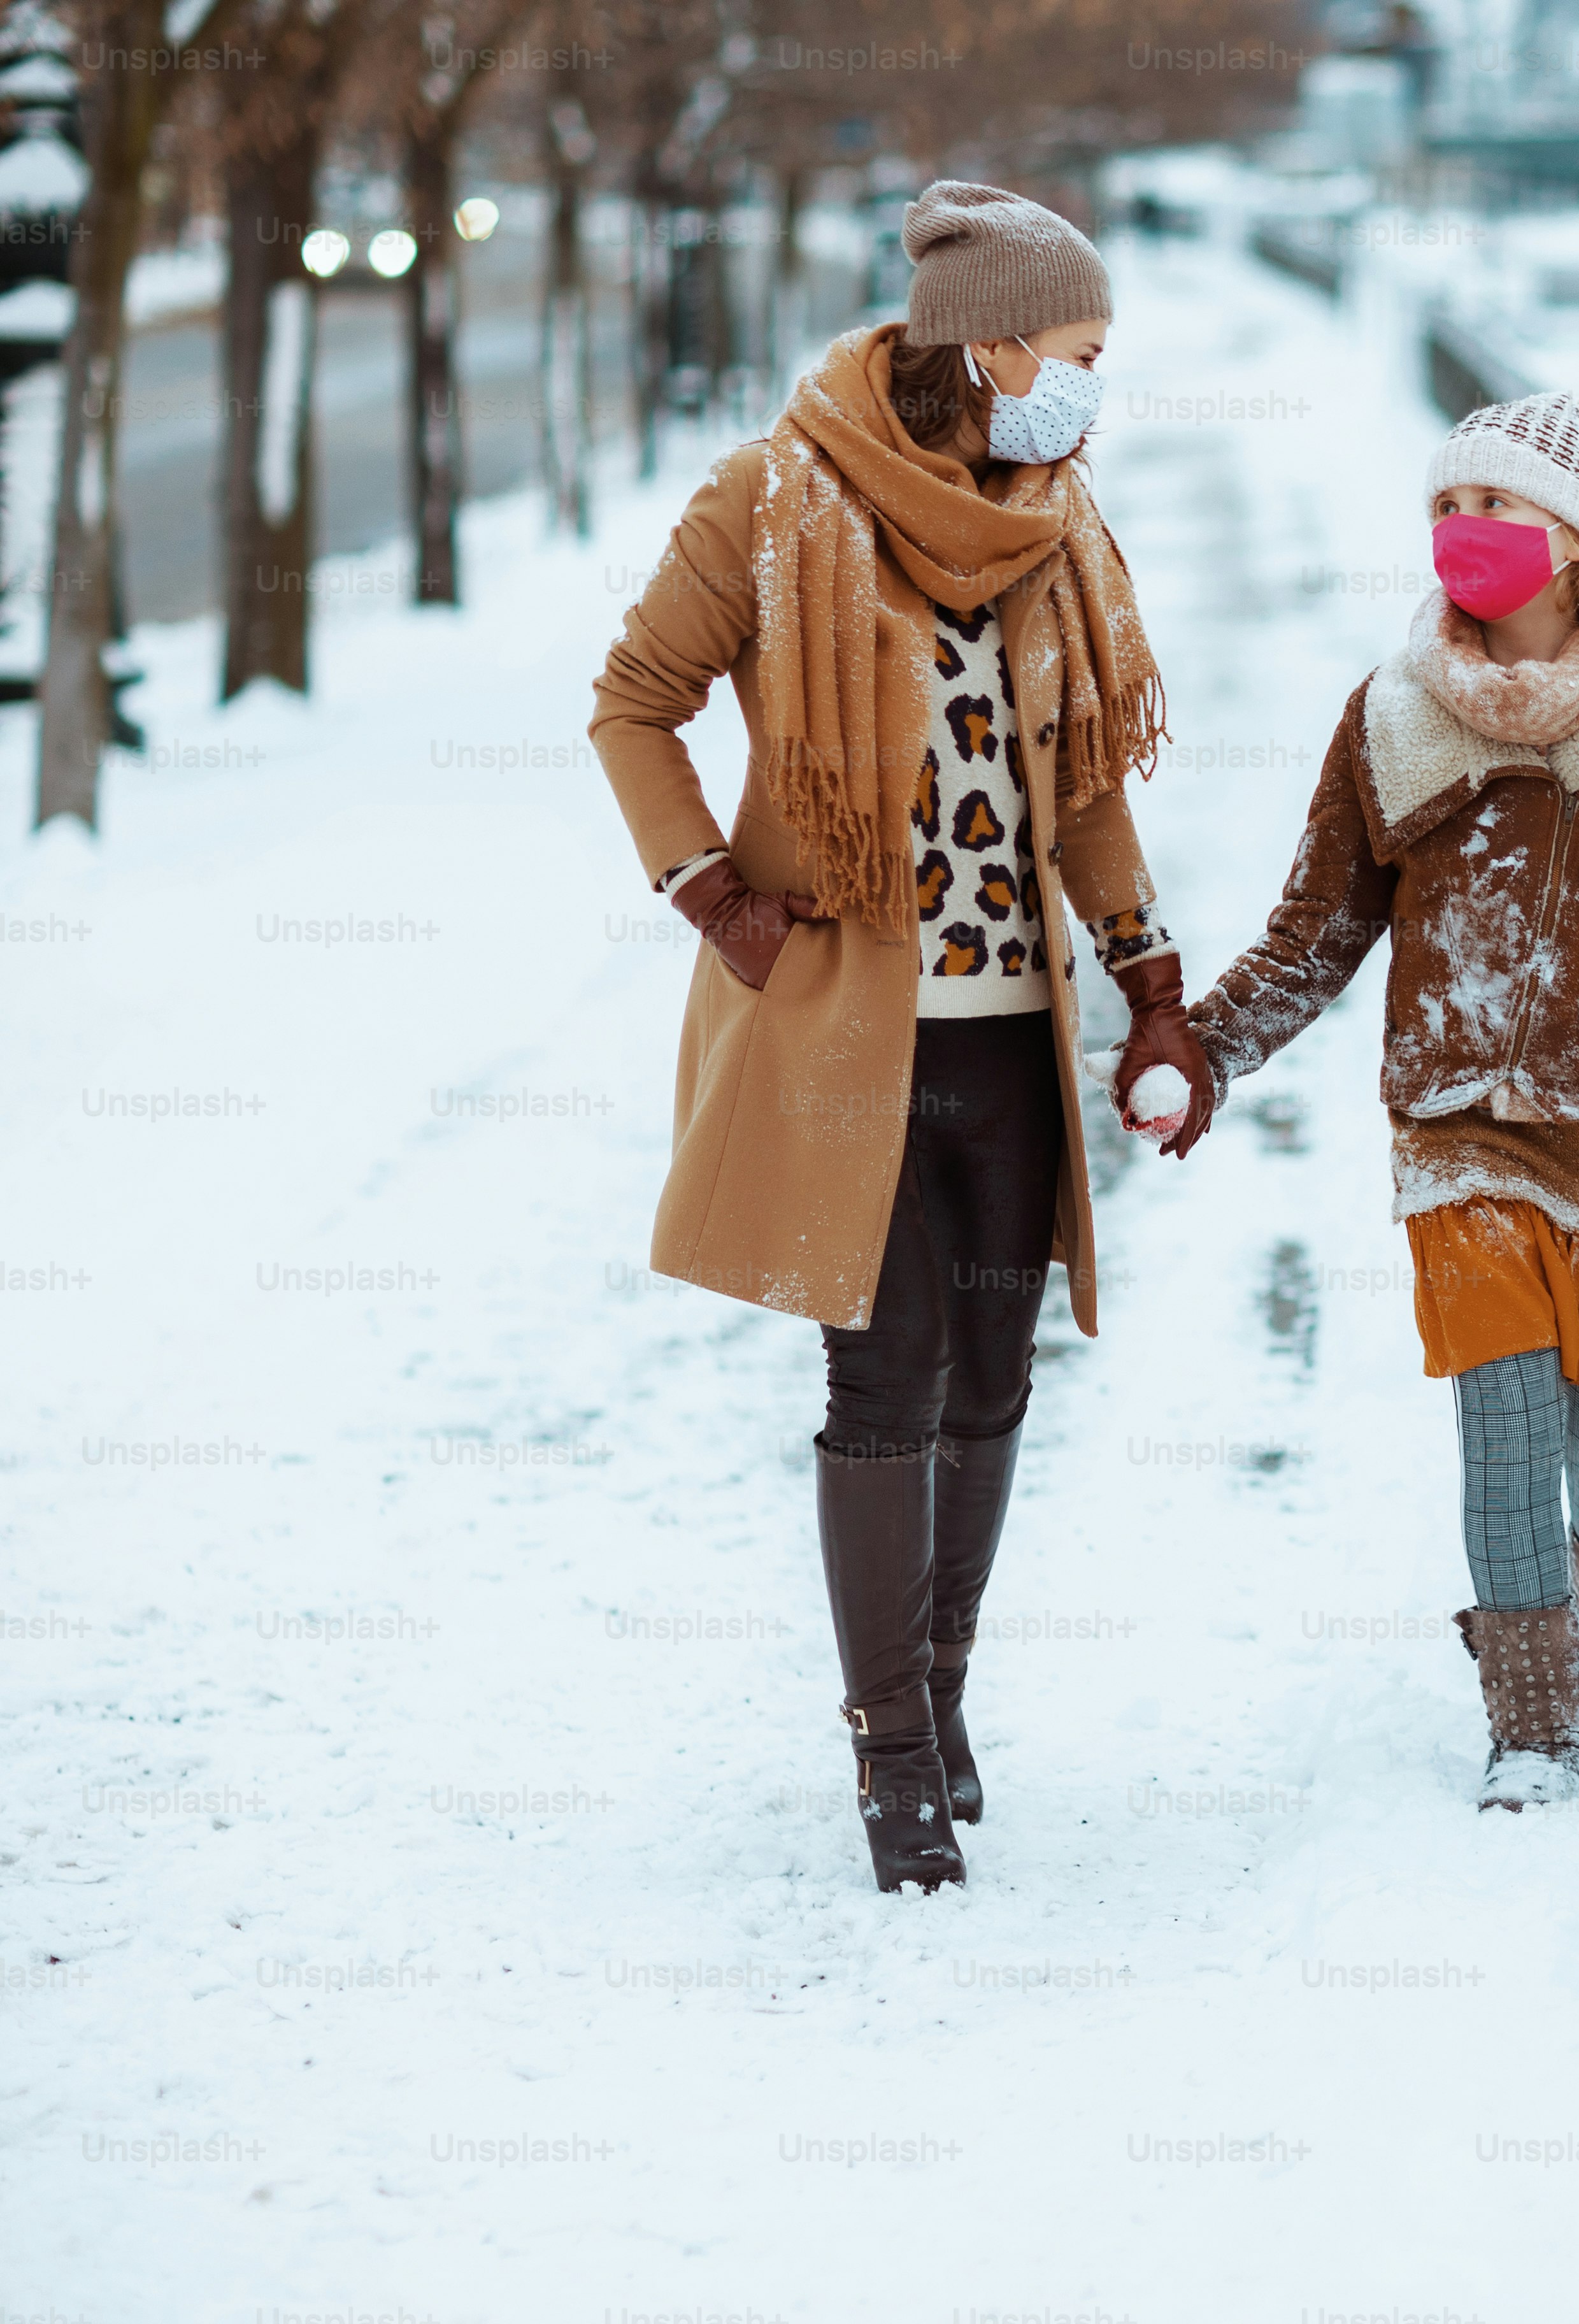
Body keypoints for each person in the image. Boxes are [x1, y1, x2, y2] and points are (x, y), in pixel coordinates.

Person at [587, 183, 1209, 1892]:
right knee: (886, 1370)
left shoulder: (1049, 521)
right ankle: (893, 1759)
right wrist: (713, 894)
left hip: (1011, 1036)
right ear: (991, 347)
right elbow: (635, 702)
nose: (1092, 387)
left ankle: (943, 1694)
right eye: (1079, 351)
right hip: (845, 1030)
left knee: (996, 1376)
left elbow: (1081, 787)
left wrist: (1151, 976)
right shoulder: (774, 498)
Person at [1190, 391, 1579, 1809]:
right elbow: (1318, 930)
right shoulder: (1392, 716)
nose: (1464, 531)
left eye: (1496, 506)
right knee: (1504, 1420)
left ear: (1575, 540)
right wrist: (1203, 1048)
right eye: (1448, 507)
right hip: (1458, 1128)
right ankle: (1533, 1726)